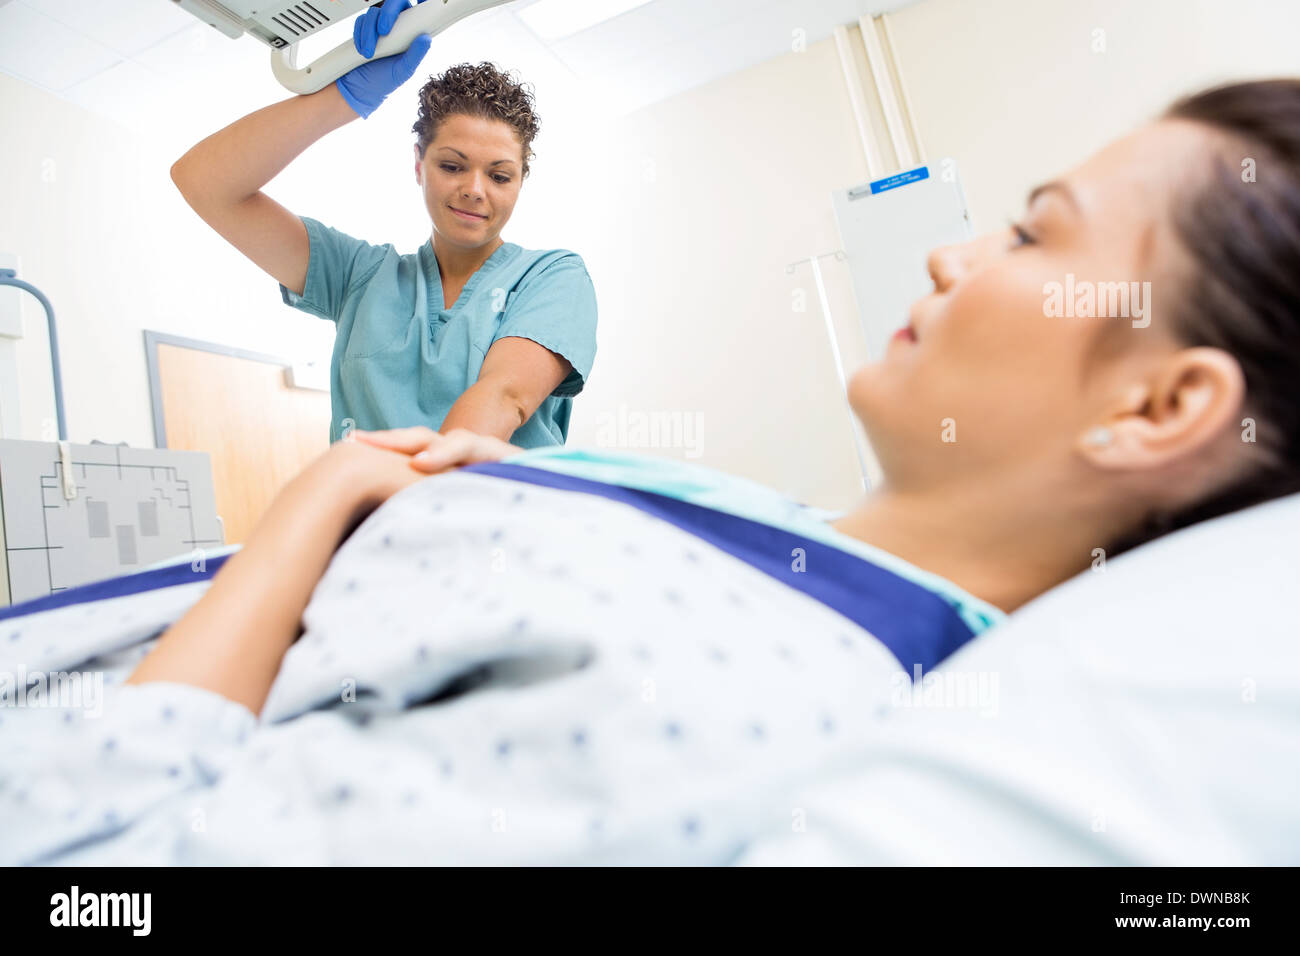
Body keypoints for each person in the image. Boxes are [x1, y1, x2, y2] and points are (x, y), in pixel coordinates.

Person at [170, 0, 597, 449]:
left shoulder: (553, 278)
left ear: (521, 181)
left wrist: (396, 499)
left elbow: (504, 396)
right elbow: (204, 182)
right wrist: (341, 97)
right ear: (419, 164)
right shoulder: (359, 276)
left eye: (499, 175)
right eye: (452, 166)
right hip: (375, 517)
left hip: (485, 515)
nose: (475, 189)